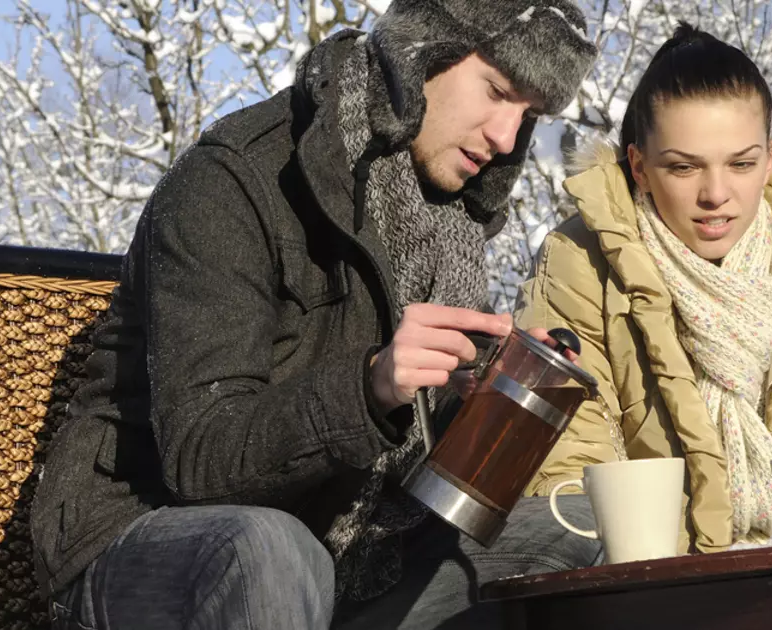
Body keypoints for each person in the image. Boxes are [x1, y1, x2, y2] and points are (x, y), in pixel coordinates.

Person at [31, 1, 601, 629]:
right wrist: (370, 387)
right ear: (422, 52)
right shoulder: (232, 179)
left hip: (344, 560)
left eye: (529, 117)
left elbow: (400, 465)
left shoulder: (447, 227)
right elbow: (199, 460)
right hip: (154, 549)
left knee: (569, 534)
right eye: (496, 92)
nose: (505, 138)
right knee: (269, 550)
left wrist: (474, 399)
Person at [515, 22, 772, 554]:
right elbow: (570, 479)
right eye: (683, 167)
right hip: (653, 592)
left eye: (742, 164)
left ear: (770, 158)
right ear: (638, 166)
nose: (717, 194)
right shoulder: (581, 268)